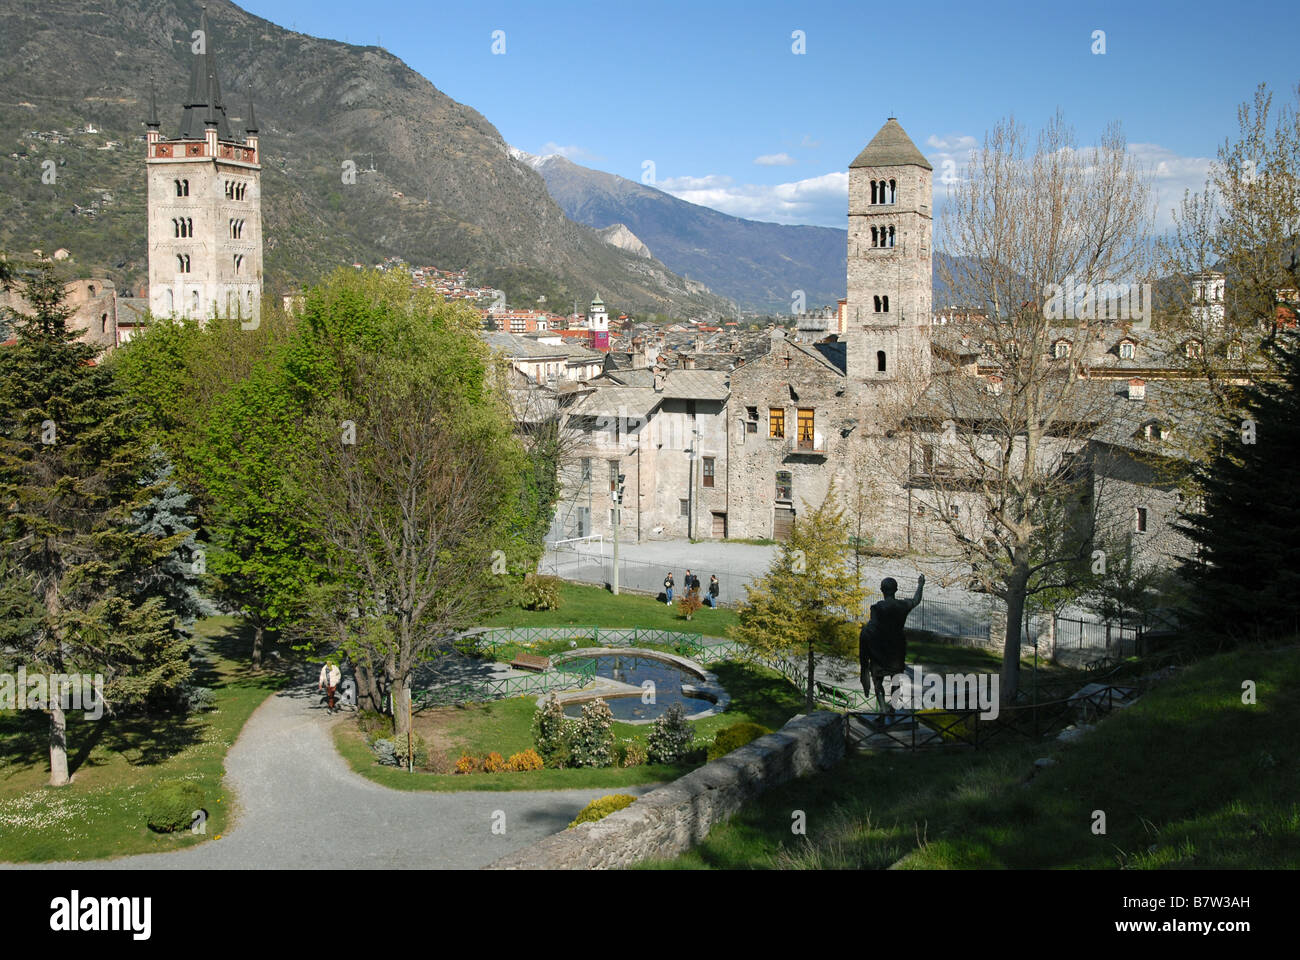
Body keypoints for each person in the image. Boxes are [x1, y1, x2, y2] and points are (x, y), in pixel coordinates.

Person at [859, 574, 924, 714]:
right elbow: (916, 600)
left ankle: (882, 708)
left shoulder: (876, 608)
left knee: (878, 682)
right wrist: (920, 584)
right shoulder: (902, 606)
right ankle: (893, 708)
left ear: (882, 590)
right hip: (896, 650)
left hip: (880, 650)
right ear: (896, 589)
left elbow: (872, 627)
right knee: (896, 680)